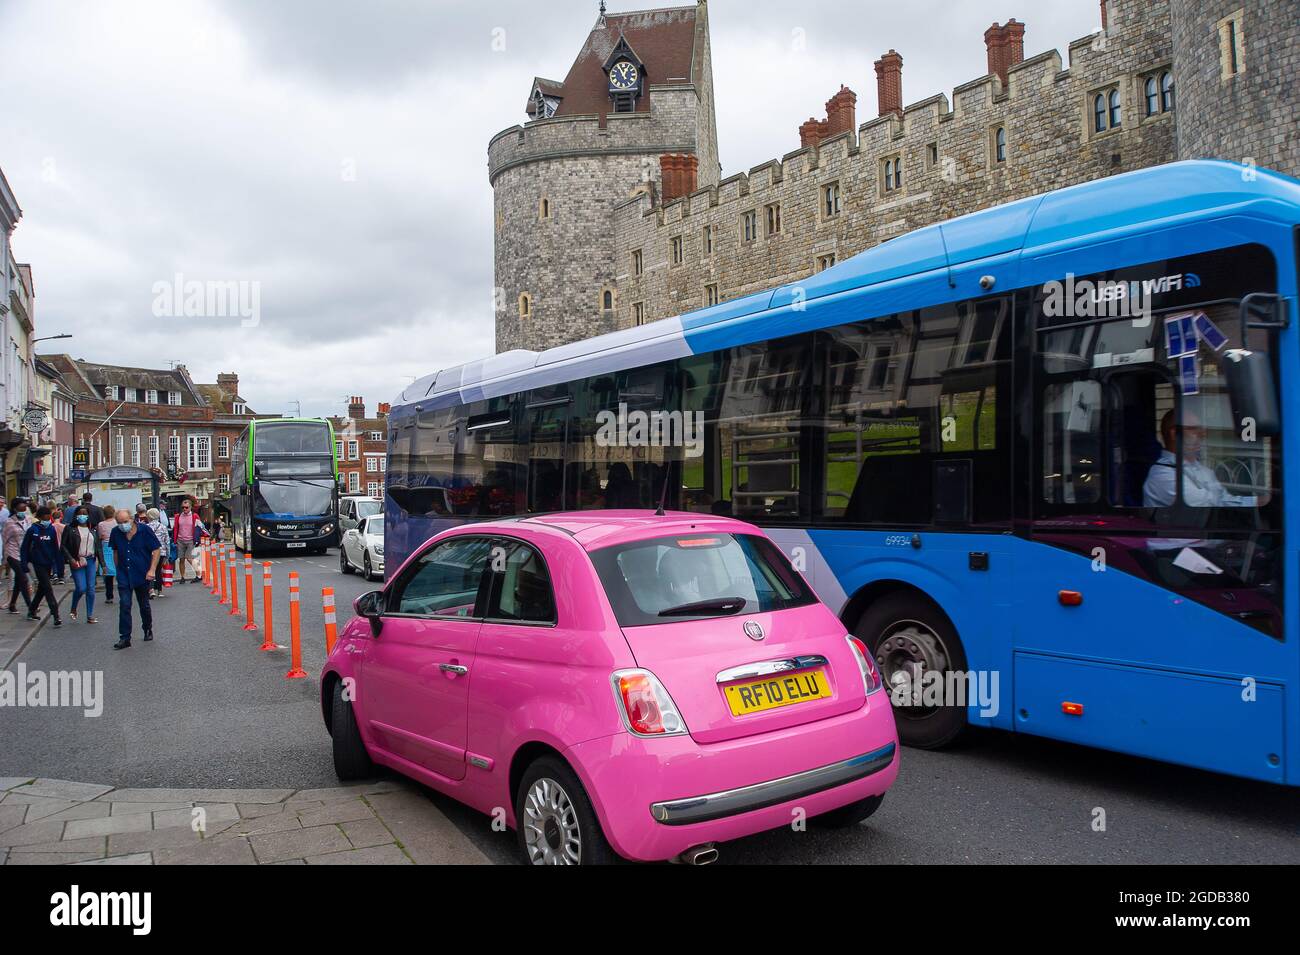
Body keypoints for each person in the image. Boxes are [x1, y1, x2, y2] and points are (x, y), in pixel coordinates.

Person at [1143, 410, 1269, 509]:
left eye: (1202, 429)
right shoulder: (1162, 475)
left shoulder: (1203, 470)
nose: (1203, 434)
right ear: (1175, 434)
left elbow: (1224, 499)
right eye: (1194, 429)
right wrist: (1257, 502)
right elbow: (1209, 506)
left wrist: (1257, 501)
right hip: (1183, 542)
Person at [108, 508, 160, 650]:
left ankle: (147, 628)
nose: (122, 525)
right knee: (124, 604)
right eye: (119, 522)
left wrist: (152, 569)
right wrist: (118, 570)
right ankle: (125, 637)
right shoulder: (116, 532)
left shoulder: (144, 531)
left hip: (142, 573)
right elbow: (116, 552)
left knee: (144, 604)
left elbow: (156, 549)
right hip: (124, 574)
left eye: (125, 522)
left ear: (132, 519)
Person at [20, 506, 63, 628]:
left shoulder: (51, 529)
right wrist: (24, 563)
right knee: (48, 588)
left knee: (42, 589)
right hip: (37, 563)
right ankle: (56, 615)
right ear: (39, 517)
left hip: (48, 563)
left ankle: (32, 610)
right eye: (45, 517)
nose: (47, 519)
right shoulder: (33, 530)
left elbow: (55, 548)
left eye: (48, 517)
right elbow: (24, 548)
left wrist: (59, 566)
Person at [62, 505, 98, 624]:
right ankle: (74, 606)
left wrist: (102, 564)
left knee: (91, 589)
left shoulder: (93, 529)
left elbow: (98, 548)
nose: (82, 516)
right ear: (76, 516)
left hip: (91, 560)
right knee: (81, 587)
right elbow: (63, 546)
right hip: (77, 560)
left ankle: (90, 615)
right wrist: (71, 559)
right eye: (80, 514)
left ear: (88, 516)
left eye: (84, 514)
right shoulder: (70, 529)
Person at [4, 502, 35, 617]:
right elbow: (5, 539)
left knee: (18, 581)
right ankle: (31, 607)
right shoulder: (9, 523)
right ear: (15, 510)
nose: (23, 512)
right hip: (12, 554)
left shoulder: (28, 520)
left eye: (24, 510)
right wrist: (5, 558)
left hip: (24, 554)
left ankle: (12, 604)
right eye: (20, 510)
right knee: (24, 579)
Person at [171, 498, 204, 583]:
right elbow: (176, 528)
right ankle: (182, 577)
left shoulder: (195, 516)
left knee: (189, 558)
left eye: (186, 507)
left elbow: (200, 527)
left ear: (190, 507)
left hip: (191, 540)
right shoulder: (178, 516)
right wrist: (175, 540)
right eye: (183, 507)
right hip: (180, 540)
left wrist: (199, 539)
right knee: (181, 559)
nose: (184, 509)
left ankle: (198, 574)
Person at [146, 507, 170, 596]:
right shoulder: (163, 527)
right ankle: (159, 590)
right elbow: (167, 541)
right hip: (161, 551)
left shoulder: (146, 527)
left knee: (150, 569)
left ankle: (151, 589)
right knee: (158, 570)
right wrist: (168, 554)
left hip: (150, 552)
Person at [96, 508, 118, 604]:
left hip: (106, 547)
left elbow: (100, 536)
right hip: (115, 546)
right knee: (117, 570)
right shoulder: (116, 523)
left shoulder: (101, 524)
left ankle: (109, 596)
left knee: (108, 573)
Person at [50, 509, 67, 584]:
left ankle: (55, 573)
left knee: (53, 561)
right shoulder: (64, 527)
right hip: (61, 546)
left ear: (52, 518)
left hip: (52, 546)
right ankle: (61, 577)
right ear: (61, 517)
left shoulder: (51, 526)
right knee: (61, 561)